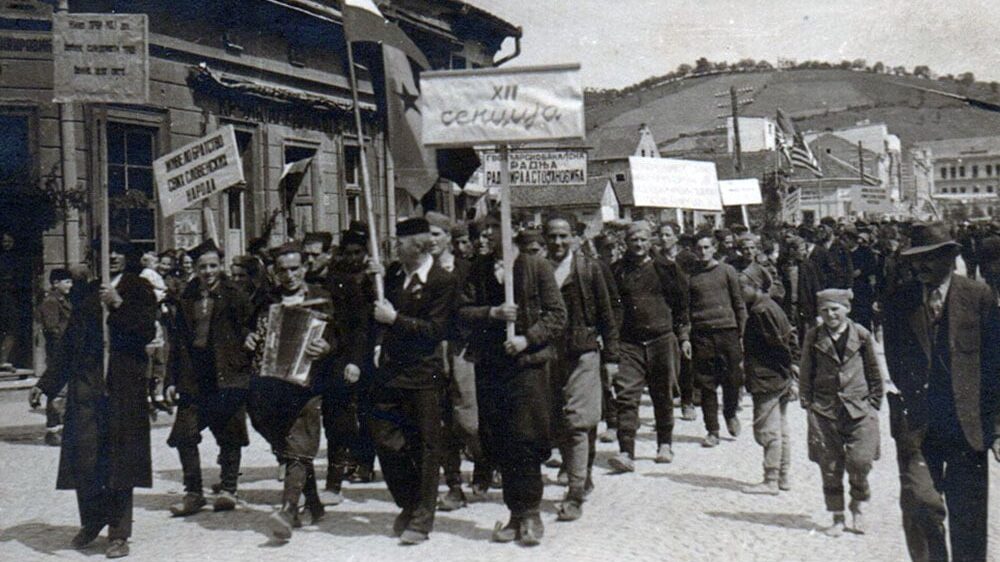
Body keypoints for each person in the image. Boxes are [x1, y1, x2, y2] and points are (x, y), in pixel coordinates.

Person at [30, 236, 157, 558]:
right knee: (83, 458)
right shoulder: (87, 291)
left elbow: (145, 331)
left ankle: (118, 532)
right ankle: (92, 518)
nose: (112, 256)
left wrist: (118, 305)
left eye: (118, 251)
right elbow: (70, 343)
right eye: (106, 250)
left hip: (121, 386)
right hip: (87, 386)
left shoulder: (137, 288)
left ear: (127, 256)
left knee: (119, 461)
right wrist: (46, 384)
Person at [883, 222, 1000, 561]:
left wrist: (995, 428)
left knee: (969, 517)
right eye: (914, 259)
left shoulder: (978, 296)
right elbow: (895, 359)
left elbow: (995, 365)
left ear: (950, 257)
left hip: (968, 425)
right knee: (921, 503)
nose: (920, 266)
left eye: (930, 258)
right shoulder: (898, 300)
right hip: (921, 424)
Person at [459, 215, 566, 546]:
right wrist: (492, 313)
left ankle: (531, 513)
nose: (490, 241)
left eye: (497, 235)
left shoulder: (536, 267)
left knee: (525, 438)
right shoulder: (477, 270)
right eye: (486, 237)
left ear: (513, 237)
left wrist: (526, 338)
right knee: (499, 440)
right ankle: (514, 513)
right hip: (490, 367)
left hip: (527, 367)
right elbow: (462, 312)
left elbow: (556, 316)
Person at [370, 217, 456, 544]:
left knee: (425, 445)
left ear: (417, 246)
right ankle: (408, 501)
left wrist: (394, 320)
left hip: (424, 373)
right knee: (385, 438)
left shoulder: (441, 281)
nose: (395, 246)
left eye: (400, 242)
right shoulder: (393, 275)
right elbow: (377, 310)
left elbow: (435, 330)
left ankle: (421, 519)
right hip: (392, 372)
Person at [244, 242, 338, 542]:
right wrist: (250, 339)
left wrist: (326, 347)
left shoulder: (321, 299)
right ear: (274, 272)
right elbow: (250, 331)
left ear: (305, 268)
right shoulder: (266, 299)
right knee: (288, 442)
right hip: (273, 382)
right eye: (282, 270)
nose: (289, 275)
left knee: (299, 442)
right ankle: (313, 503)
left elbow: (339, 338)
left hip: (309, 381)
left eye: (295, 268)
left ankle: (287, 510)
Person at [164, 240, 253, 516]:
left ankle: (228, 489)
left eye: (213, 265)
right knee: (184, 433)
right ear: (195, 269)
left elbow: (252, 326)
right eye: (202, 267)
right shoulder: (187, 296)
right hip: (195, 375)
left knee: (230, 433)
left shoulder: (235, 295)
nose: (208, 271)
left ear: (221, 266)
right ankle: (193, 492)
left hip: (228, 373)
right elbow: (177, 342)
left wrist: (251, 339)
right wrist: (170, 380)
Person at [543, 214, 619, 521]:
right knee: (559, 421)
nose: (558, 243)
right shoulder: (537, 269)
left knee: (578, 420)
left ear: (574, 237)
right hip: (549, 355)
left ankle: (574, 493)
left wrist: (612, 358)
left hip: (584, 352)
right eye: (552, 236)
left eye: (564, 236)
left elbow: (607, 315)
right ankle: (582, 472)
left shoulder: (589, 269)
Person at [800, 288, 882, 537]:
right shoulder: (814, 337)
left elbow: (873, 371)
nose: (830, 314)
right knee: (830, 465)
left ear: (846, 309)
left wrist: (874, 402)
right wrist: (808, 403)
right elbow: (806, 371)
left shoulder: (861, 334)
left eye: (835, 309)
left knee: (860, 461)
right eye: (824, 310)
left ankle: (858, 504)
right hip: (825, 410)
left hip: (859, 408)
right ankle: (837, 516)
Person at [609, 220, 689, 470]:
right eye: (634, 240)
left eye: (643, 240)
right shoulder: (617, 271)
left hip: (661, 340)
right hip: (628, 343)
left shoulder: (666, 268)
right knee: (626, 396)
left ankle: (664, 444)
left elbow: (681, 304)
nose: (639, 245)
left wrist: (683, 335)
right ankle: (626, 452)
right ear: (626, 242)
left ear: (650, 241)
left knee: (662, 393)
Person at [425, 212, 479, 513]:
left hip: (461, 350)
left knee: (468, 420)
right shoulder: (418, 271)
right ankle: (455, 485)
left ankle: (484, 463)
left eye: (436, 234)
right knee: (439, 421)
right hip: (431, 353)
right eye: (427, 235)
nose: (431, 240)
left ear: (447, 237)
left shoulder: (466, 270)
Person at [320, 228, 375, 504]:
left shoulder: (377, 275)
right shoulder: (337, 277)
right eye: (348, 253)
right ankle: (344, 466)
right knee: (341, 414)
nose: (353, 258)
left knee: (367, 412)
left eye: (358, 253)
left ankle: (364, 462)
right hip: (346, 352)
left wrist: (376, 279)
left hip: (373, 351)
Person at [739, 264, 798, 495]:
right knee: (781, 429)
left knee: (767, 431)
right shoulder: (770, 306)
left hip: (767, 378)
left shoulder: (761, 311)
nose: (740, 290)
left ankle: (770, 480)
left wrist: (787, 373)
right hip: (775, 377)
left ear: (755, 286)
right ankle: (782, 477)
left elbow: (779, 346)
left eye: (743, 286)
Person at [688, 231, 746, 447]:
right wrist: (686, 336)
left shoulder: (727, 271)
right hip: (702, 334)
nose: (702, 252)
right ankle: (712, 430)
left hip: (728, 331)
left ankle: (730, 413)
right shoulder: (691, 275)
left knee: (733, 379)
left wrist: (743, 333)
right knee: (706, 384)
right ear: (694, 250)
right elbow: (686, 308)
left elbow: (738, 303)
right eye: (699, 248)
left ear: (714, 249)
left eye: (706, 247)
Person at [37, 268, 74, 446]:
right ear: (55, 283)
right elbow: (53, 330)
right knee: (57, 391)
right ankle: (53, 431)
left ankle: (60, 429)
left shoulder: (63, 300)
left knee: (64, 390)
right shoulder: (51, 301)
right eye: (66, 282)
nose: (70, 285)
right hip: (58, 352)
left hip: (66, 351)